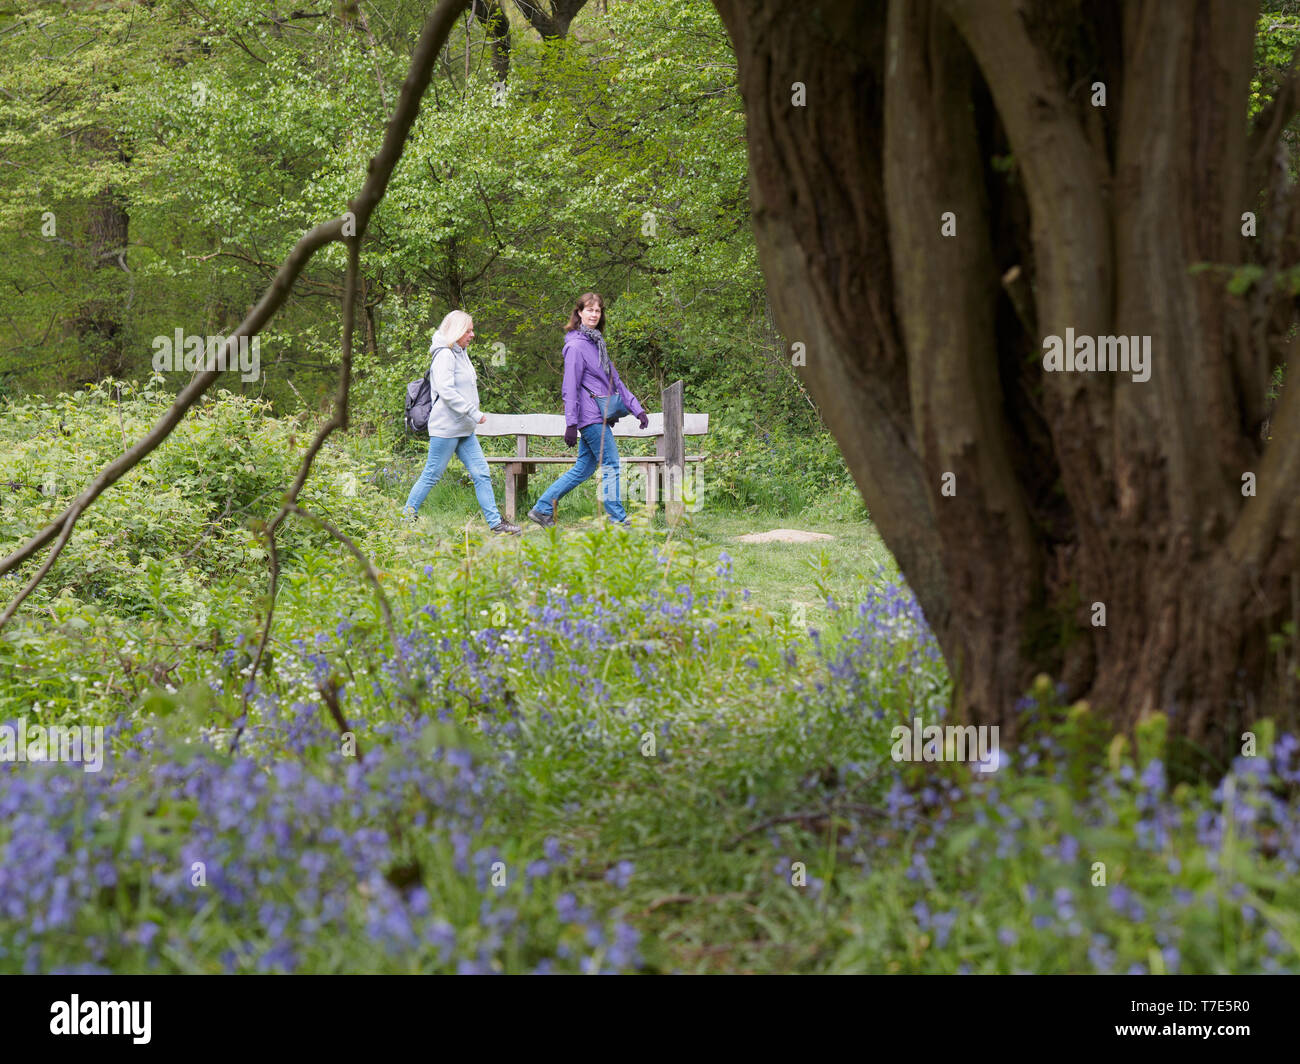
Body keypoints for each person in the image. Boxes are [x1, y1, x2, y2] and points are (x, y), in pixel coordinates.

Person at [528, 293, 648, 528]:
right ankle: (617, 520)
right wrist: (571, 423)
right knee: (612, 464)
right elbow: (569, 387)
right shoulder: (575, 346)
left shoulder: (596, 343)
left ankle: (542, 509)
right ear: (579, 313)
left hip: (599, 415)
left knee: (583, 468)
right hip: (589, 417)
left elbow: (615, 380)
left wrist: (637, 409)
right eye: (589, 310)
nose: (594, 314)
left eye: (598, 310)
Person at [403, 310, 520, 534]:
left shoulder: (460, 352)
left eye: (472, 329)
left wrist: (470, 417)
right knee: (432, 474)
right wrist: (474, 413)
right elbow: (446, 391)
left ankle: (496, 525)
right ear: (456, 331)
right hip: (446, 428)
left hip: (464, 428)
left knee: (481, 473)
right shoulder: (445, 355)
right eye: (468, 330)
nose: (472, 334)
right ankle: (406, 518)